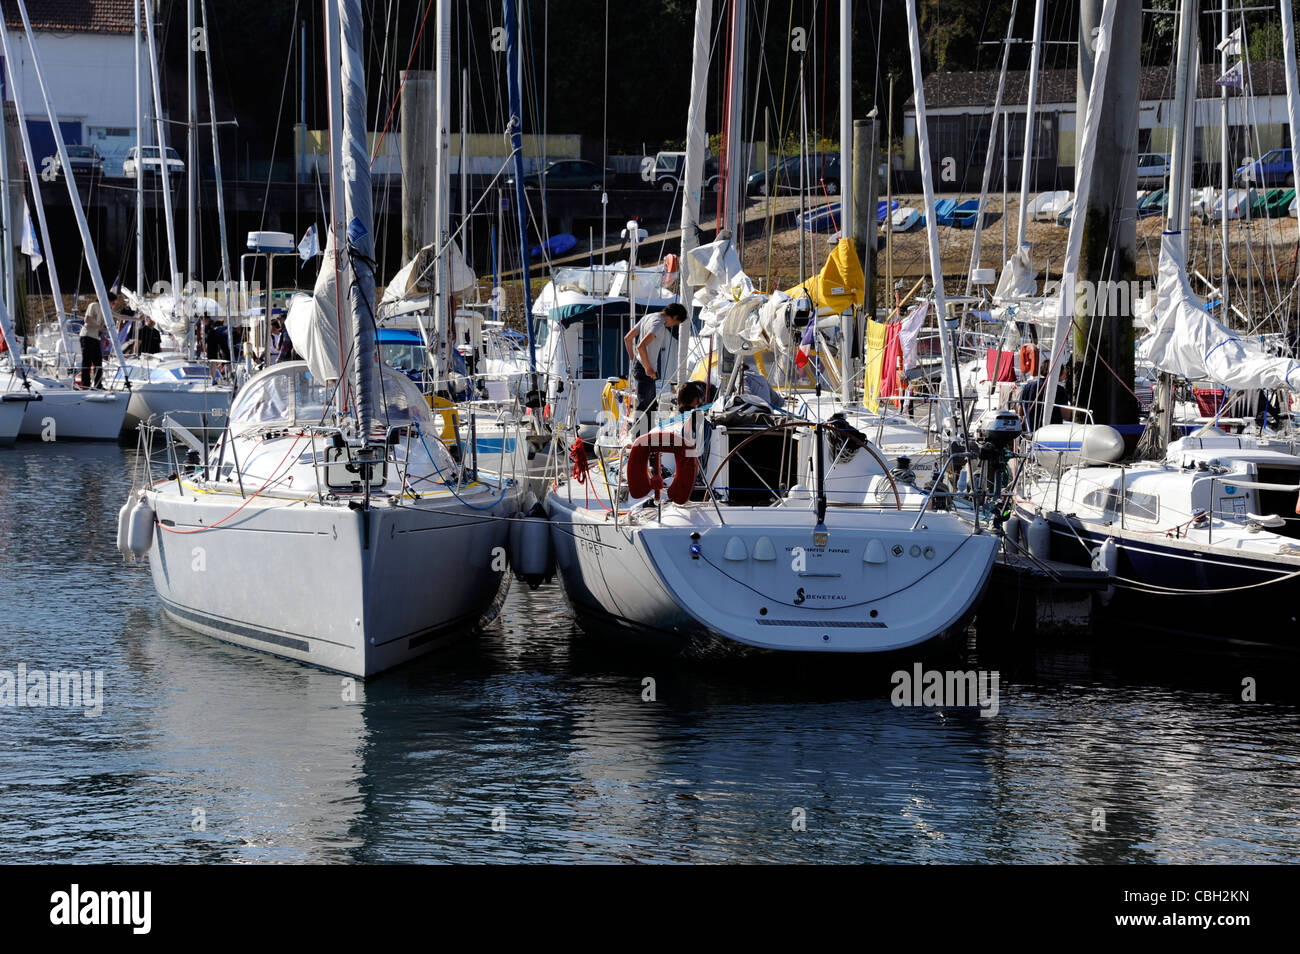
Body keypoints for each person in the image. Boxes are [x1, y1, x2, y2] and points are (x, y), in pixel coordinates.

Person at [623, 301, 686, 414]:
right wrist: (648, 368)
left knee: (651, 406)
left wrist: (633, 359)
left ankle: (646, 431)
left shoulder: (648, 317)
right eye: (676, 323)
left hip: (640, 366)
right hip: (645, 370)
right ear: (675, 317)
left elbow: (627, 338)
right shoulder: (658, 323)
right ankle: (638, 432)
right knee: (645, 407)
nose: (673, 326)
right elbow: (641, 346)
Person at [80, 292, 116, 388]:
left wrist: (136, 319)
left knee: (98, 362)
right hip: (87, 336)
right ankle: (85, 385)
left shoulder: (106, 310)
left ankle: (98, 385)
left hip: (96, 338)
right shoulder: (94, 305)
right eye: (112, 302)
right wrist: (101, 328)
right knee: (87, 362)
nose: (113, 305)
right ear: (107, 300)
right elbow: (87, 319)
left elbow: (120, 316)